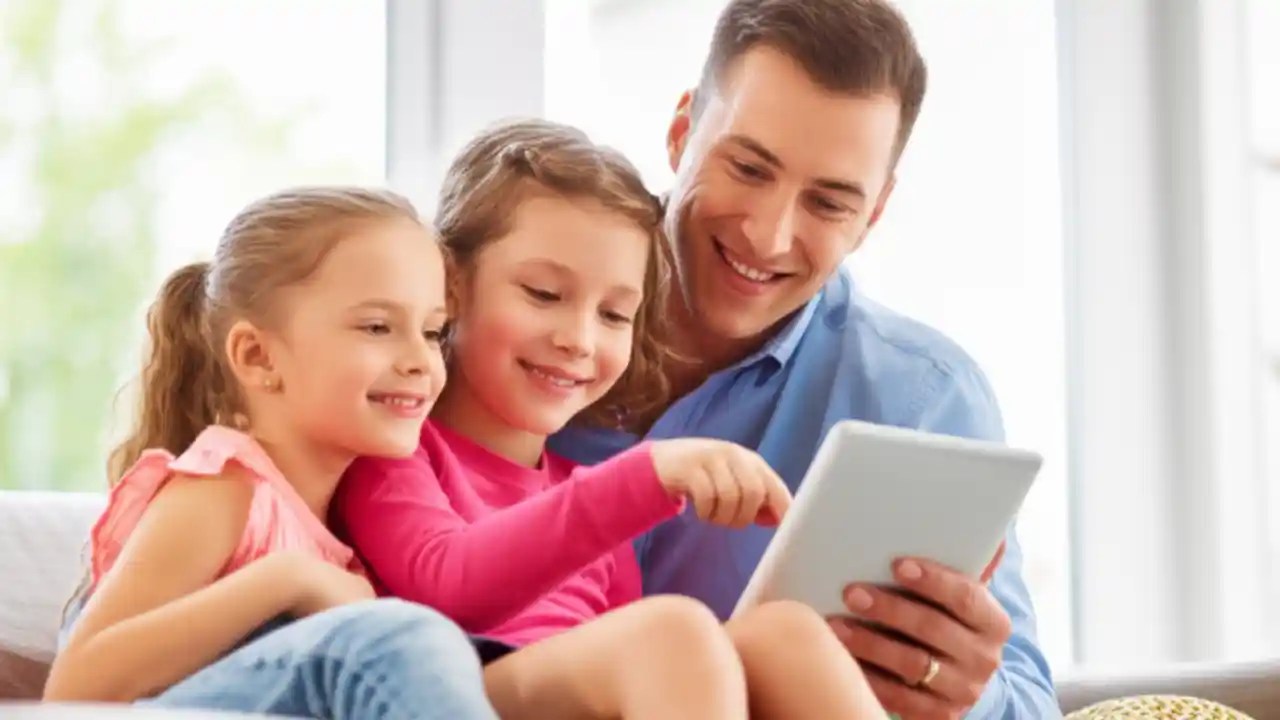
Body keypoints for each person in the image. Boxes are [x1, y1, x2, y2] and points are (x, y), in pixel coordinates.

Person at [548, 1, 1059, 718]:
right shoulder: (515, 319)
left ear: (874, 213)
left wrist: (961, 695)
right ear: (680, 132)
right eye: (750, 168)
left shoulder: (922, 401)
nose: (769, 235)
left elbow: (1029, 705)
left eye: (828, 204)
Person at [334, 118, 889, 719]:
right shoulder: (397, 452)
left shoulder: (584, 492)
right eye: (544, 294)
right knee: (672, 633)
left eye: (614, 315)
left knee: (788, 635)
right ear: (452, 287)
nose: (578, 339)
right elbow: (448, 583)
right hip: (454, 694)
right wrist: (645, 476)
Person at [44, 187, 499, 719]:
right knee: (398, 640)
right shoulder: (225, 486)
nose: (421, 360)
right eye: (378, 327)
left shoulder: (344, 519)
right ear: (258, 356)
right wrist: (287, 580)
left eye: (432, 332)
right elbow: (73, 687)